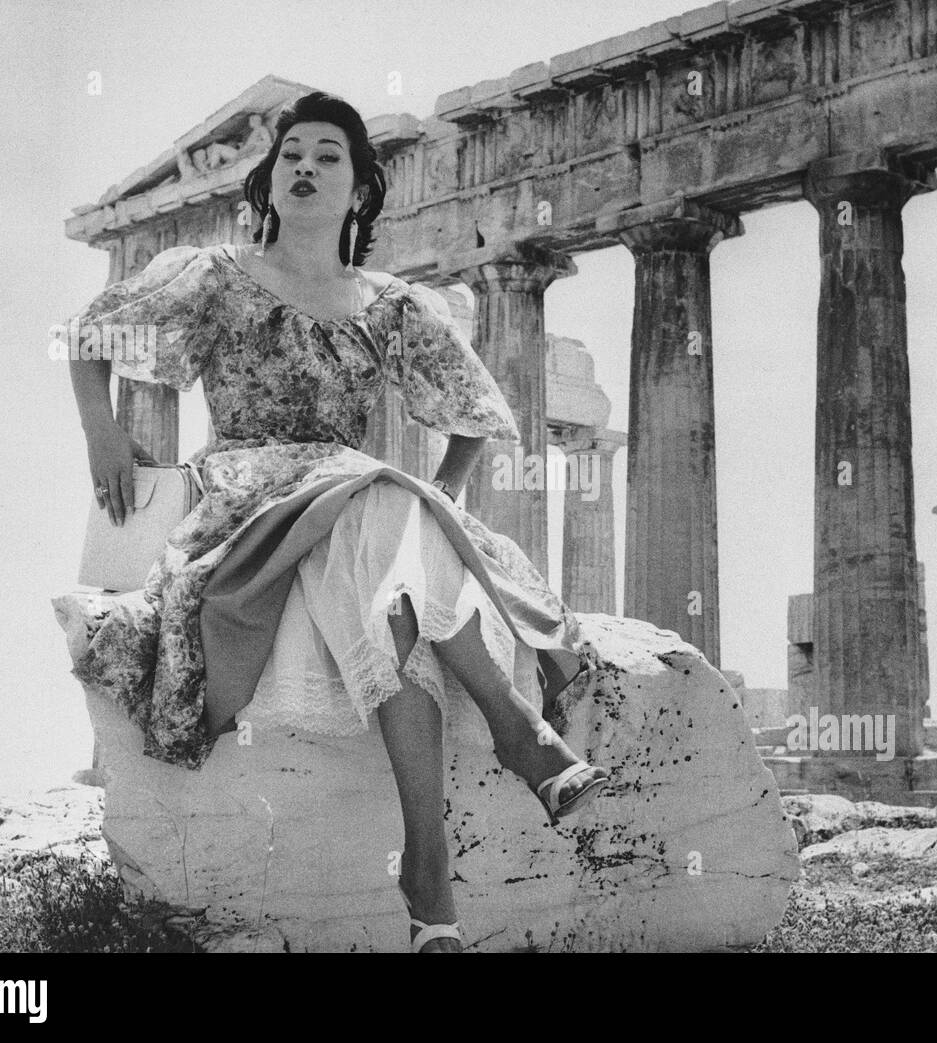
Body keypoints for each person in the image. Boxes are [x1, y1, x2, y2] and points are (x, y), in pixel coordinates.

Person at [66, 91, 610, 953]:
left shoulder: (387, 303)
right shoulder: (215, 277)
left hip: (352, 503)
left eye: (328, 156)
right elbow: (90, 335)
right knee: (376, 494)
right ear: (269, 180)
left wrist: (440, 498)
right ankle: (517, 732)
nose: (305, 167)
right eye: (291, 154)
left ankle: (428, 879)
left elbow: (476, 407)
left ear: (359, 190)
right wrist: (105, 436)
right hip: (248, 497)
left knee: (382, 557)